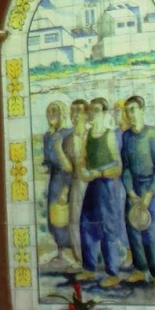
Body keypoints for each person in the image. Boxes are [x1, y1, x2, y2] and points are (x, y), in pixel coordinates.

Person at [120, 93, 155, 291]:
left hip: (150, 188)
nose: (130, 115)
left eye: (133, 110)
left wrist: (149, 194)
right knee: (133, 229)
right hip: (133, 189)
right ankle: (140, 269)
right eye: (127, 111)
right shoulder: (126, 136)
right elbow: (125, 167)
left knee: (152, 233)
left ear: (142, 110)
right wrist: (130, 192)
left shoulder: (153, 134)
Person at [78, 97, 124, 288]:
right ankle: (89, 269)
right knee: (86, 224)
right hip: (92, 185)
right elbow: (81, 160)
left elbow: (118, 166)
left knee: (108, 227)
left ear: (104, 112)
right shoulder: (87, 135)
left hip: (107, 186)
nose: (92, 113)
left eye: (96, 109)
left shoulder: (110, 135)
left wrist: (101, 172)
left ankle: (112, 272)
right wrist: (83, 172)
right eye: (90, 110)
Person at [41, 101, 72, 267]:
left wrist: (66, 189)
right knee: (54, 218)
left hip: (66, 179)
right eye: (49, 111)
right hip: (54, 180)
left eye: (55, 111)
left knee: (66, 217)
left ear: (62, 113)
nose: (51, 114)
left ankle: (70, 253)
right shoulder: (48, 136)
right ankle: (60, 252)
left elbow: (70, 164)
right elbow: (47, 160)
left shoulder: (68, 133)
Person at [61, 98, 89, 266]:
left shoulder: (92, 136)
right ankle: (81, 258)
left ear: (86, 114)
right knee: (75, 220)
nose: (76, 115)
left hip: (92, 184)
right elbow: (67, 169)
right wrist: (65, 190)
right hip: (76, 184)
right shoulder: (68, 139)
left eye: (79, 111)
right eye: (73, 111)